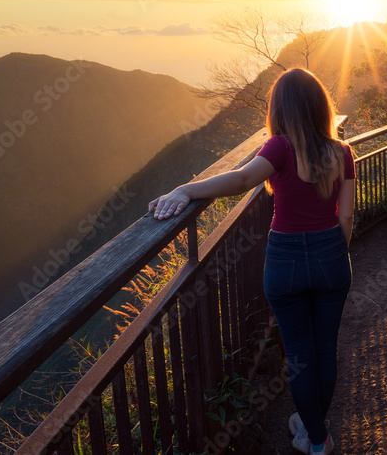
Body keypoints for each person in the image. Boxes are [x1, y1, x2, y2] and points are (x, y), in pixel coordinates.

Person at [149, 68, 354, 455]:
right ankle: (314, 430)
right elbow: (346, 217)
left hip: (285, 261)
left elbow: (243, 181)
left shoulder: (279, 148)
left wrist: (185, 189)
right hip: (331, 256)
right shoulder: (341, 152)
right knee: (325, 349)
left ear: (281, 109)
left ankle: (316, 438)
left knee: (298, 355)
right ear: (319, 106)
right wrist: (334, 254)